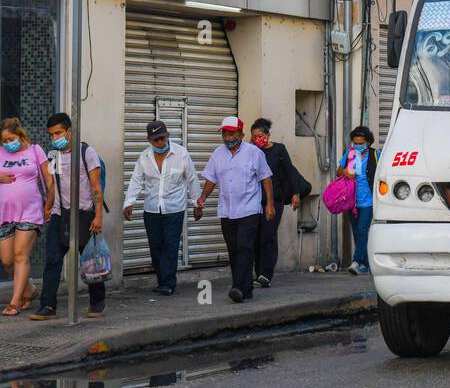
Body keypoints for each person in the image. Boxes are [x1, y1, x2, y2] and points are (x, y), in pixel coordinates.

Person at [31, 113, 106, 320]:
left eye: (59, 133)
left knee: (90, 260)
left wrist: (98, 216)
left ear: (70, 132)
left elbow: (96, 186)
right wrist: (47, 207)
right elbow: (52, 184)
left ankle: (97, 302)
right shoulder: (52, 155)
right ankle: (47, 306)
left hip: (84, 213)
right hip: (59, 214)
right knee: (53, 259)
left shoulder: (86, 152)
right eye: (52, 135)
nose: (55, 138)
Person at [196, 116, 275, 303]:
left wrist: (269, 204)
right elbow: (211, 179)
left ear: (241, 133)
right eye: (224, 133)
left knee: (244, 247)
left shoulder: (254, 153)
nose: (227, 137)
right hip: (227, 209)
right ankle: (245, 288)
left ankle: (239, 287)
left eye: (231, 133)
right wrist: (202, 199)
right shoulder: (217, 154)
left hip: (249, 208)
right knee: (233, 250)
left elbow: (266, 178)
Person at [123, 120, 200, 295]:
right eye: (156, 140)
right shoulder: (144, 157)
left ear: (167, 136)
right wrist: (129, 202)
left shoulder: (181, 154)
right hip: (151, 209)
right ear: (149, 140)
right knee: (156, 246)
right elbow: (136, 180)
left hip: (175, 209)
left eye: (162, 138)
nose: (160, 143)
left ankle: (168, 283)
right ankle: (162, 279)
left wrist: (197, 203)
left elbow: (192, 179)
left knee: (171, 245)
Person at [0, 117, 54, 316]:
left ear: (20, 135)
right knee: (7, 261)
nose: (8, 143)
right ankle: (29, 290)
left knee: (20, 255)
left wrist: (49, 205)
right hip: (4, 214)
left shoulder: (35, 151)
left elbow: (49, 181)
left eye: (11, 139)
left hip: (30, 212)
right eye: (4, 140)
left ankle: (15, 302)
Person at [250, 118, 309, 288]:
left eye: (260, 136)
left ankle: (265, 274)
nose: (257, 139)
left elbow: (290, 171)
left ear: (267, 135)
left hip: (274, 200)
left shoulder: (279, 150)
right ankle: (257, 271)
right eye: (254, 137)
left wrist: (296, 194)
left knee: (268, 236)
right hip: (254, 201)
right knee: (255, 237)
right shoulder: (251, 151)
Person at [337, 126, 378, 275]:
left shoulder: (376, 154)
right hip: (352, 201)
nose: (358, 145)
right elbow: (338, 171)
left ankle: (356, 261)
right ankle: (366, 265)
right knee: (357, 232)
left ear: (368, 142)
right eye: (355, 142)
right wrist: (346, 172)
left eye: (361, 143)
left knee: (362, 229)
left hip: (368, 201)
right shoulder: (350, 153)